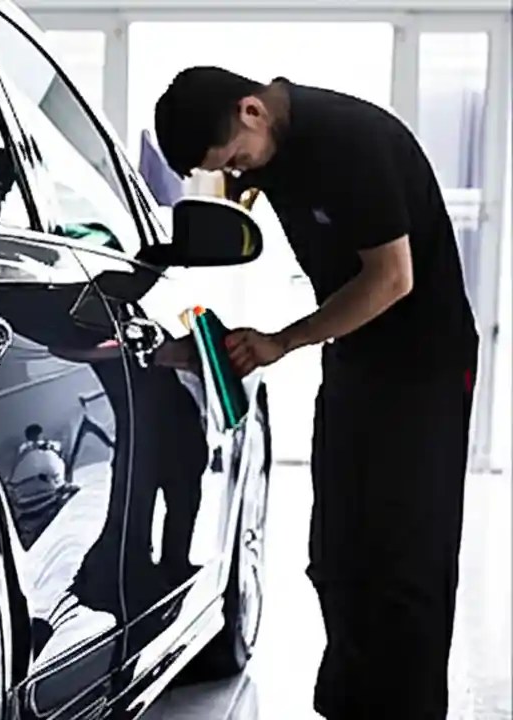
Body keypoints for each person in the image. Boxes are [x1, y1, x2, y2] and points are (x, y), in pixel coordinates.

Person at [153, 67, 478, 719]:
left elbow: (391, 279)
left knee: (404, 561)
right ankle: (349, 706)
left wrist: (283, 340)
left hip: (424, 370)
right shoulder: (270, 152)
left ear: (252, 111)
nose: (240, 176)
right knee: (337, 552)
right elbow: (228, 222)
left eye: (237, 160)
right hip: (357, 359)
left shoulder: (348, 139)